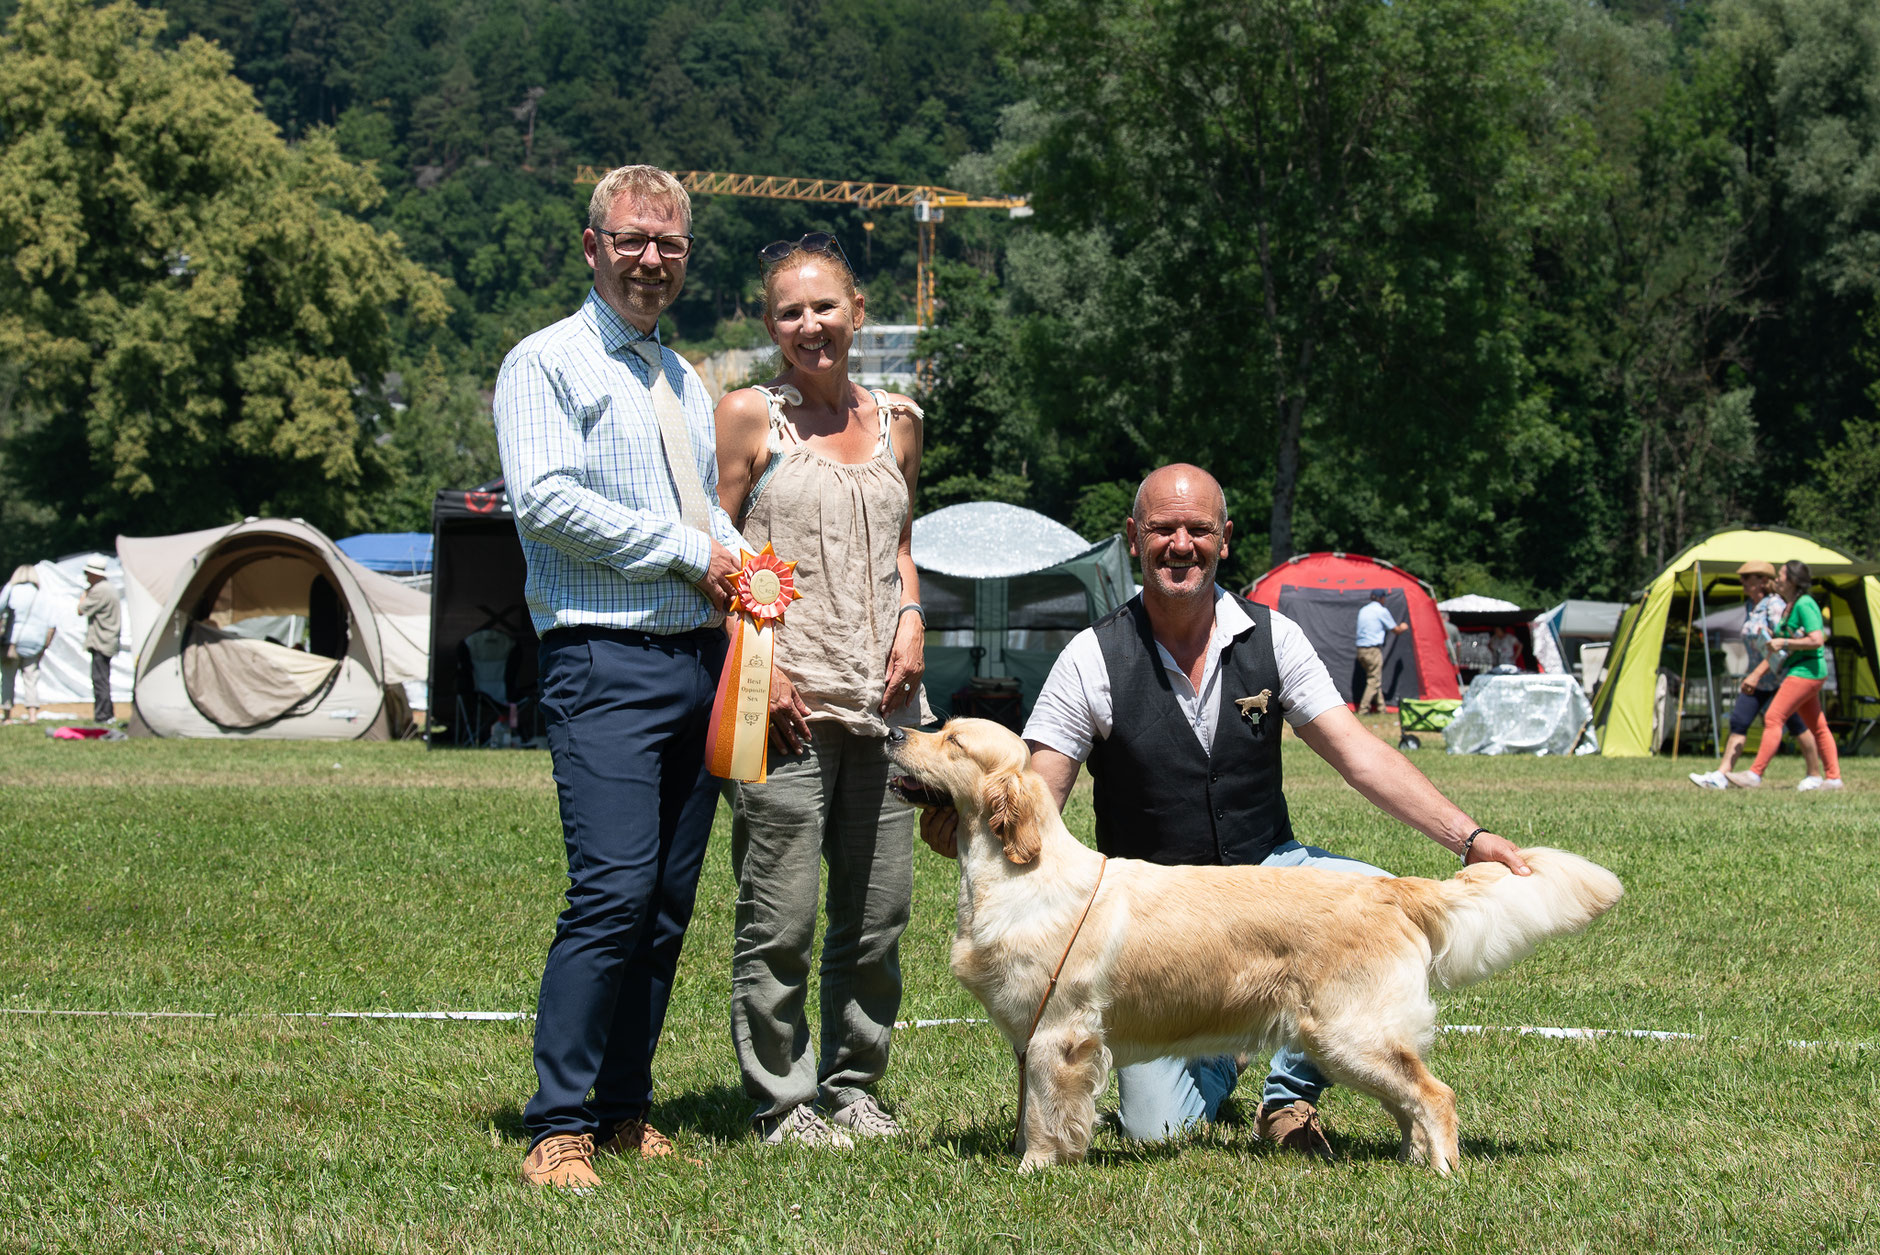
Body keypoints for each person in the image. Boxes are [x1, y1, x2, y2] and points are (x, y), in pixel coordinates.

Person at [919, 463, 1531, 1157]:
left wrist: (1468, 837)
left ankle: (1288, 1092)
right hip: (1159, 927)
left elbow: (1361, 756)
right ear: (1132, 538)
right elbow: (1036, 792)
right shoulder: (1091, 657)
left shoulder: (1273, 637)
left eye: (1198, 529)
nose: (1181, 544)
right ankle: (1230, 1035)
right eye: (1162, 529)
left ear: (1225, 539)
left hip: (1266, 873)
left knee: (1369, 901)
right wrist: (974, 825)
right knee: (1157, 1130)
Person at [493, 164, 749, 1190]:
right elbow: (545, 502)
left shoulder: (679, 377)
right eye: (634, 239)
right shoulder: (543, 364)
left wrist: (746, 565)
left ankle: (622, 1107)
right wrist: (692, 556)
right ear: (591, 245)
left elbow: (702, 514)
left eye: (671, 244)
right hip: (600, 658)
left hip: (694, 660)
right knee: (610, 891)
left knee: (667, 902)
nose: (653, 258)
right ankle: (555, 1124)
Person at [713, 233, 928, 1148]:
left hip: (884, 708)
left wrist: (914, 613)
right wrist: (753, 664)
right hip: (783, 704)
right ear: (771, 326)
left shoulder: (902, 422)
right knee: (783, 917)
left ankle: (855, 1085)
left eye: (825, 307)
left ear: (857, 313)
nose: (811, 325)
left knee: (877, 918)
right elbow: (712, 555)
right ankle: (783, 1098)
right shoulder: (747, 418)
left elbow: (903, 543)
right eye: (790, 312)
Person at [1688, 560, 1816, 789]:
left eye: (1747, 578)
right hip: (1757, 678)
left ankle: (1814, 774)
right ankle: (1721, 775)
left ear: (1762, 581)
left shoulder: (1775, 606)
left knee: (1797, 726)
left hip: (1777, 677)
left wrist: (1756, 674)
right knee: (1739, 721)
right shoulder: (1750, 606)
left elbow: (1783, 645)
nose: (1742, 582)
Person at [1726, 560, 1843, 791]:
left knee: (1773, 717)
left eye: (1780, 575)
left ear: (1791, 580)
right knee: (1818, 726)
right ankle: (1833, 778)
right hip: (1801, 669)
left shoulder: (1805, 604)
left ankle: (1755, 774)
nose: (1776, 579)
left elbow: (1817, 639)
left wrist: (1784, 641)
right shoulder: (1791, 605)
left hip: (1806, 671)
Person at [2, 565, 55, 724]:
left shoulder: (11, 589)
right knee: (31, 678)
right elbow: (52, 623)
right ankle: (32, 715)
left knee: (7, 677)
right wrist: (44, 645)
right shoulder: (42, 594)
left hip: (12, 641)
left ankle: (7, 716)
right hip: (35, 642)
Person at [76, 556, 120, 724]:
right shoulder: (109, 588)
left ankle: (103, 715)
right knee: (103, 678)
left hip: (101, 640)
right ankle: (107, 714)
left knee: (99, 679)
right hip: (108, 639)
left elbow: (81, 609)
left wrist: (85, 593)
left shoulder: (99, 590)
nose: (87, 577)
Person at [1353, 587, 1406, 713]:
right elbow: (1395, 630)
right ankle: (1363, 709)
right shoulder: (1381, 611)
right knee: (1373, 680)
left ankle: (1382, 709)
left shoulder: (1363, 610)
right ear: (1381, 598)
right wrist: (1403, 627)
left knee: (1375, 679)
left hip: (1361, 651)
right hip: (1372, 650)